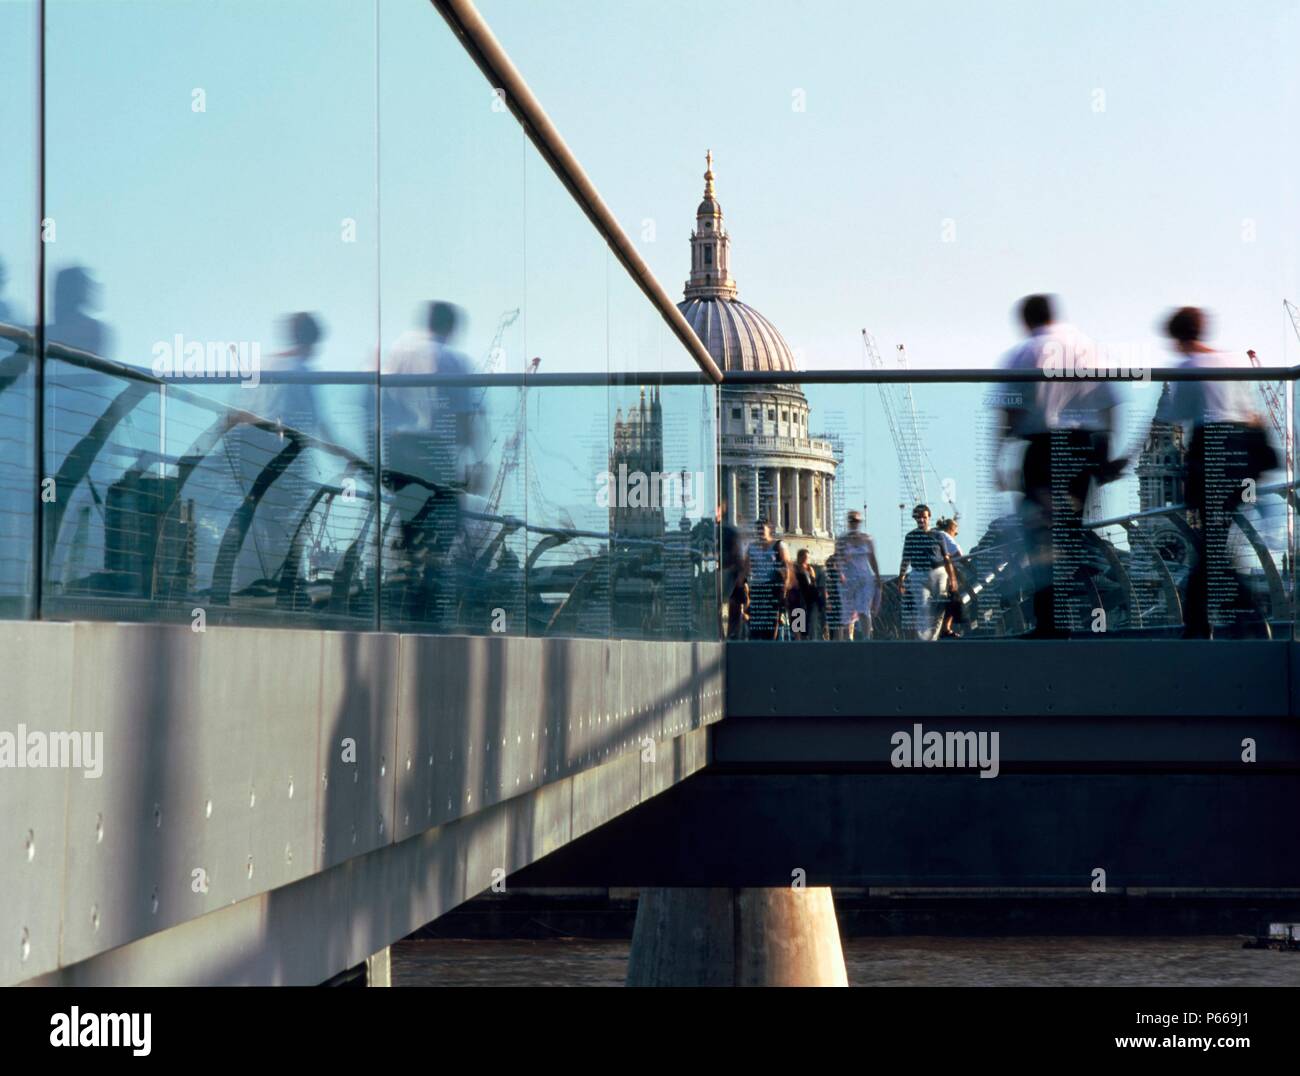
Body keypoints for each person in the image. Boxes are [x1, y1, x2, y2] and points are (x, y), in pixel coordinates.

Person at [999, 294, 1121, 637]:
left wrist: (999, 458)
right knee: (1067, 534)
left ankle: (1050, 622)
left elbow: (1009, 411)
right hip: (1083, 449)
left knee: (1040, 536)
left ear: (1026, 321)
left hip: (1042, 448)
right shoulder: (1088, 347)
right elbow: (1111, 403)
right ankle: (1066, 617)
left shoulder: (1023, 353)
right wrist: (1107, 455)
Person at [1154, 306, 1275, 637]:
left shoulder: (1188, 367)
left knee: (1211, 548)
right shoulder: (1234, 359)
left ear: (1178, 337)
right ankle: (1204, 623)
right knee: (1214, 546)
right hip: (1244, 454)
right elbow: (1252, 413)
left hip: (1213, 452)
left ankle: (1238, 619)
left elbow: (1177, 418)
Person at [898, 503, 953, 640]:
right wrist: (901, 578)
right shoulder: (910, 537)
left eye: (924, 517)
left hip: (938, 572)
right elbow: (906, 559)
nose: (921, 520)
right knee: (922, 607)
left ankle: (932, 638)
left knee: (940, 604)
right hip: (919, 574)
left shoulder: (938, 536)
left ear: (929, 518)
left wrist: (953, 578)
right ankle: (923, 639)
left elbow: (946, 558)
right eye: (918, 518)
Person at [836, 509, 881, 640]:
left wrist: (877, 576)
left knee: (863, 609)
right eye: (851, 520)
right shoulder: (842, 540)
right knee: (846, 613)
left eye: (856, 520)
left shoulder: (867, 539)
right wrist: (840, 573)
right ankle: (847, 641)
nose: (854, 523)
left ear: (860, 522)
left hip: (864, 578)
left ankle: (867, 638)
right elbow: (838, 559)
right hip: (848, 579)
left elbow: (872, 558)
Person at [935, 517, 964, 638]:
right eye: (955, 532)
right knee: (954, 599)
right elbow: (958, 553)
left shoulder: (935, 533)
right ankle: (945, 628)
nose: (955, 534)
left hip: (934, 573)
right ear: (951, 529)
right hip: (945, 573)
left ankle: (943, 628)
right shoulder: (944, 535)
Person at [790, 548, 823, 640]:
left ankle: (807, 642)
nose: (806, 559)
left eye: (807, 557)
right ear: (799, 557)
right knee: (798, 624)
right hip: (798, 597)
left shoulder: (810, 568)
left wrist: (812, 577)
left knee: (808, 624)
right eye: (804, 557)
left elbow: (813, 583)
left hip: (809, 598)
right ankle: (798, 643)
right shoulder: (794, 568)